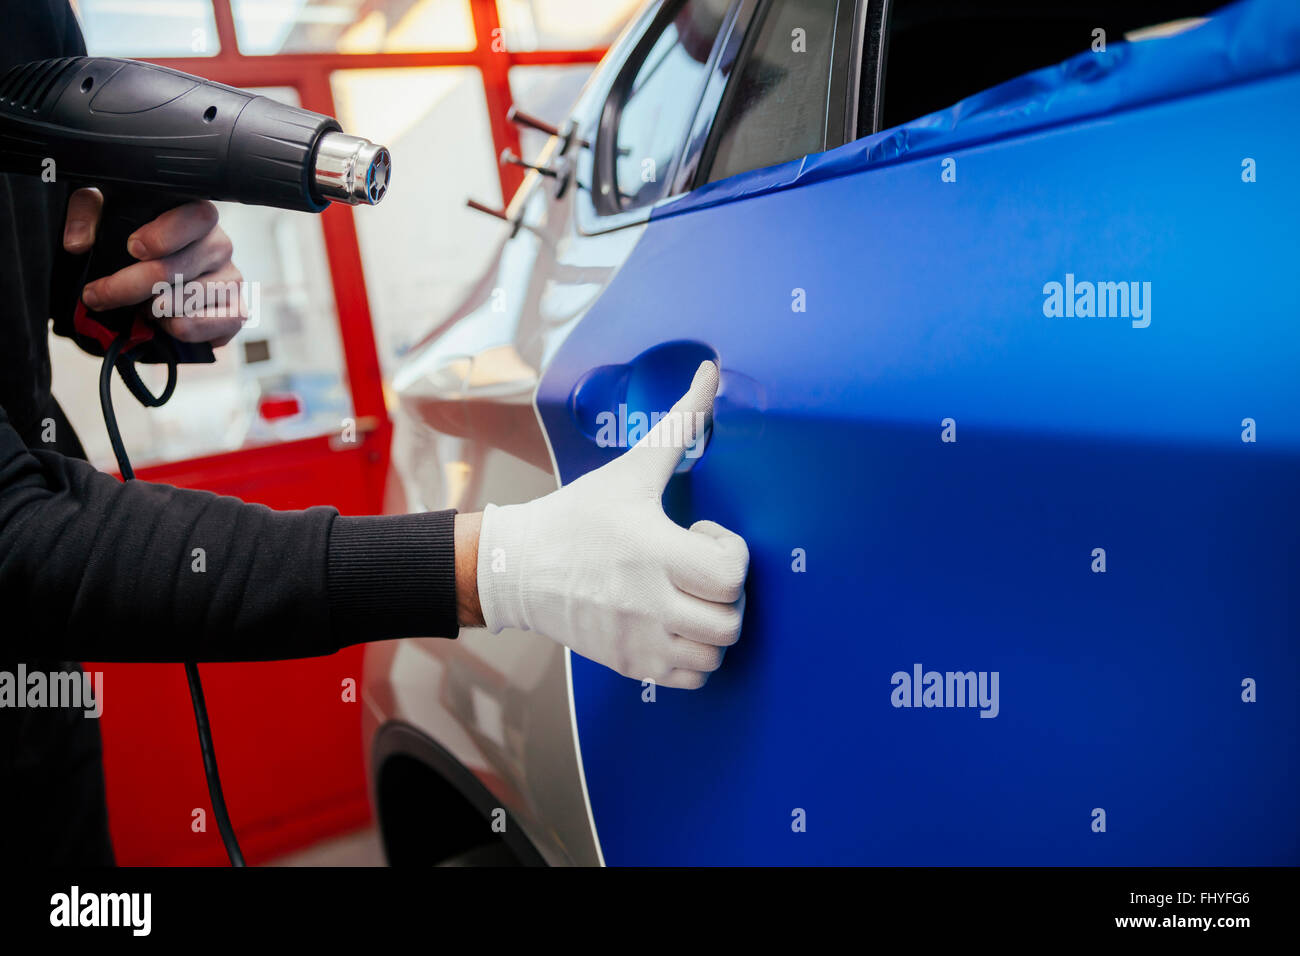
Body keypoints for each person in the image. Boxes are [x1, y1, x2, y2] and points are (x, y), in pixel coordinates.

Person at [0, 1, 748, 865]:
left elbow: (63, 261)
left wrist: (158, 293)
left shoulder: (33, 19)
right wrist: (499, 569)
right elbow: (15, 534)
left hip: (45, 729)